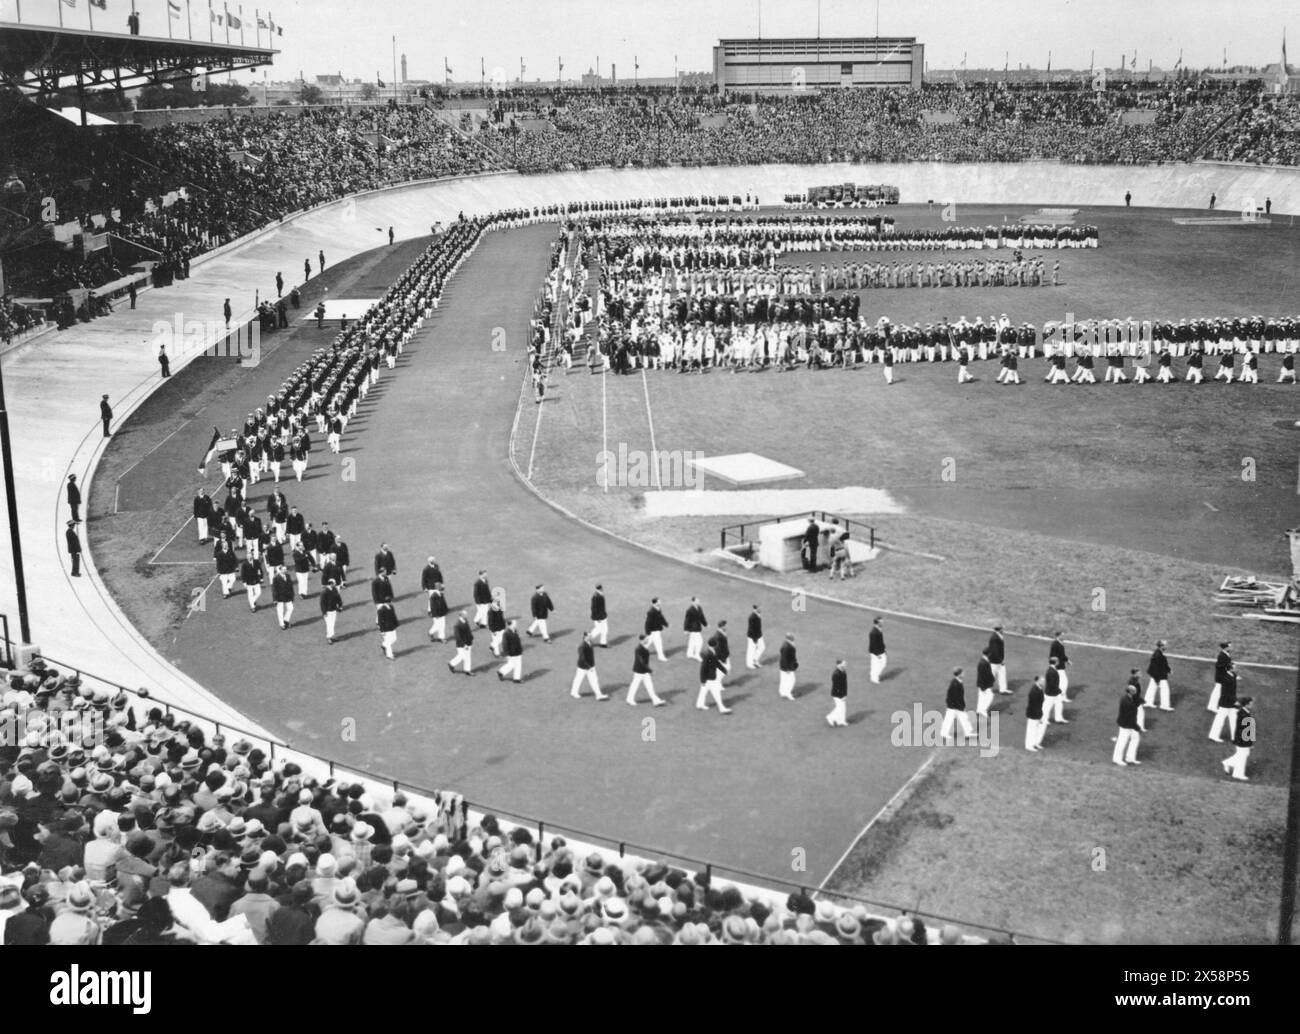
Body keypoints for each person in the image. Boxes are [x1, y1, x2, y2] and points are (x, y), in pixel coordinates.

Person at [626, 634, 665, 706]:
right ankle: (629, 699)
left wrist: (648, 670)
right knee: (635, 685)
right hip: (639, 671)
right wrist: (649, 670)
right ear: (641, 640)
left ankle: (656, 700)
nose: (647, 640)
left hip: (644, 671)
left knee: (650, 686)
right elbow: (641, 662)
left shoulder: (643, 647)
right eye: (646, 639)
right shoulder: (638, 649)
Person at [1112, 683, 1146, 767]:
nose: (1136, 692)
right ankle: (1117, 759)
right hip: (1126, 725)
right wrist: (1137, 728)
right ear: (1130, 692)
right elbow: (1131, 718)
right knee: (1122, 741)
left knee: (1135, 738)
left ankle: (1130, 758)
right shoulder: (1128, 702)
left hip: (1127, 723)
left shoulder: (1126, 698)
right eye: (1134, 691)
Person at [1223, 696, 1254, 781]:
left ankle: (1227, 763)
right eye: (1251, 703)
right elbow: (1246, 731)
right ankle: (1238, 774)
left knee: (1242, 755)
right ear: (1246, 705)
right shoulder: (1245, 714)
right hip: (1243, 740)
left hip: (1239, 739)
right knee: (1243, 756)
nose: (1252, 705)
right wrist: (1250, 744)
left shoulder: (1242, 712)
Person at [941, 668, 976, 743]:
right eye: (962, 673)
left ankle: (967, 733)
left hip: (954, 706)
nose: (964, 674)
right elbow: (955, 697)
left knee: (963, 719)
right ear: (959, 674)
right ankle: (944, 734)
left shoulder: (957, 682)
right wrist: (961, 706)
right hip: (954, 707)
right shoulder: (955, 684)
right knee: (950, 719)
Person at [1209, 663, 1240, 742]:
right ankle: (1214, 735)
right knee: (1220, 719)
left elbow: (1234, 678)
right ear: (1230, 669)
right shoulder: (1226, 678)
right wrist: (1235, 701)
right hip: (1226, 703)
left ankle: (1235, 737)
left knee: (1234, 719)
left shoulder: (1232, 675)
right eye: (1235, 667)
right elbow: (1227, 692)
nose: (1236, 668)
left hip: (1230, 703)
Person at [695, 644, 730, 714]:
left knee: (703, 691)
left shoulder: (712, 653)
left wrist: (724, 670)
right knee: (716, 692)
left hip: (708, 678)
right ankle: (721, 708)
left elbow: (716, 663)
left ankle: (700, 704)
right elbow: (703, 669)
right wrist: (702, 680)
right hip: (710, 678)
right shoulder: (708, 655)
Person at [571, 632, 607, 700]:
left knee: (594, 680)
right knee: (578, 679)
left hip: (590, 666)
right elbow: (582, 658)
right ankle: (574, 692)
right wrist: (589, 667)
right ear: (585, 637)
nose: (590, 637)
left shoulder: (590, 643)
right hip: (583, 667)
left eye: (590, 636)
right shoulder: (582, 646)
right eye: (589, 636)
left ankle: (598, 694)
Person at [1144, 639, 1173, 711]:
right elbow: (1158, 667)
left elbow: (1162, 665)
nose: (1167, 646)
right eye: (1165, 645)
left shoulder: (1158, 653)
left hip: (1155, 674)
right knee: (1165, 689)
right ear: (1161, 646)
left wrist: (1169, 670)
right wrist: (1158, 679)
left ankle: (1148, 702)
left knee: (1152, 687)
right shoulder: (1159, 655)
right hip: (1159, 676)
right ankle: (1164, 705)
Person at [1208, 641, 1232, 712]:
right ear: (1226, 647)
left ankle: (1211, 706)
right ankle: (1212, 706)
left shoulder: (1226, 653)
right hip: (1221, 678)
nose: (1231, 647)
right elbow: (1219, 666)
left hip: (1222, 677)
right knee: (1217, 692)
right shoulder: (1222, 656)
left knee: (1218, 691)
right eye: (1230, 646)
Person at [1024, 675, 1046, 752]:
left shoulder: (1039, 689)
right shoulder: (1034, 691)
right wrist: (1039, 716)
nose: (1043, 682)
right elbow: (1034, 706)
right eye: (1042, 681)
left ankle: (1035, 743)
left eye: (1044, 681)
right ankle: (1029, 745)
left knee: (1037, 729)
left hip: (1037, 713)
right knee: (1031, 730)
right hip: (1033, 714)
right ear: (1037, 681)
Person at [683, 596, 707, 660]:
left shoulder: (699, 608)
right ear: (692, 602)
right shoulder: (689, 610)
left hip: (697, 627)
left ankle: (689, 653)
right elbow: (687, 620)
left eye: (698, 601)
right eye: (696, 601)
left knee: (692, 641)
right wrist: (686, 630)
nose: (698, 602)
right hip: (693, 629)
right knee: (700, 641)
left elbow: (702, 617)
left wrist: (705, 624)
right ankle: (697, 654)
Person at [826, 660, 848, 727]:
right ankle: (830, 717)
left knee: (842, 707)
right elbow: (837, 686)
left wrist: (845, 694)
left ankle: (841, 721)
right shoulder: (836, 674)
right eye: (843, 664)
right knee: (840, 708)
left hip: (841, 694)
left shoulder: (843, 671)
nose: (845, 665)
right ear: (838, 665)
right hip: (837, 694)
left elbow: (844, 684)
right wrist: (842, 696)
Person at [320, 579, 343, 644]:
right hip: (328, 611)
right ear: (331, 584)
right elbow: (322, 603)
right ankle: (329, 637)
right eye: (334, 583)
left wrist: (340, 605)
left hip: (333, 610)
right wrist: (324, 613)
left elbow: (338, 597)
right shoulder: (325, 592)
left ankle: (332, 636)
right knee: (329, 624)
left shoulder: (334, 589)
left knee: (332, 624)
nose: (335, 584)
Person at [987, 625, 1008, 694]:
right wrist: (1000, 660)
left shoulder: (997, 636)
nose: (1003, 630)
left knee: (1002, 674)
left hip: (997, 660)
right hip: (994, 661)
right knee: (992, 675)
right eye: (1002, 629)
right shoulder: (994, 638)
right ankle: (987, 689)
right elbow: (995, 651)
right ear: (1000, 629)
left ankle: (1003, 689)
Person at [778, 633, 798, 699]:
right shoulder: (787, 647)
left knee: (784, 680)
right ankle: (788, 693)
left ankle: (782, 692)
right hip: (788, 667)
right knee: (792, 680)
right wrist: (787, 669)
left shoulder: (786, 644)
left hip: (784, 667)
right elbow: (784, 659)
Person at [745, 604, 764, 669]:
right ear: (756, 608)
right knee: (751, 650)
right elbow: (751, 629)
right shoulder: (752, 617)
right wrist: (754, 639)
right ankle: (749, 664)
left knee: (762, 647)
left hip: (759, 635)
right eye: (759, 607)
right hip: (752, 636)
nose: (761, 608)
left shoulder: (758, 614)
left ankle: (755, 660)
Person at [868, 617, 886, 683]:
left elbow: (880, 641)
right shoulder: (873, 633)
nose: (882, 623)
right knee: (879, 664)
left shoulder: (879, 629)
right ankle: (874, 678)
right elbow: (873, 644)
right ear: (877, 623)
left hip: (880, 650)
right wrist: (877, 654)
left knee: (876, 664)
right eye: (881, 622)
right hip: (876, 652)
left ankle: (873, 674)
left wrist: (884, 648)